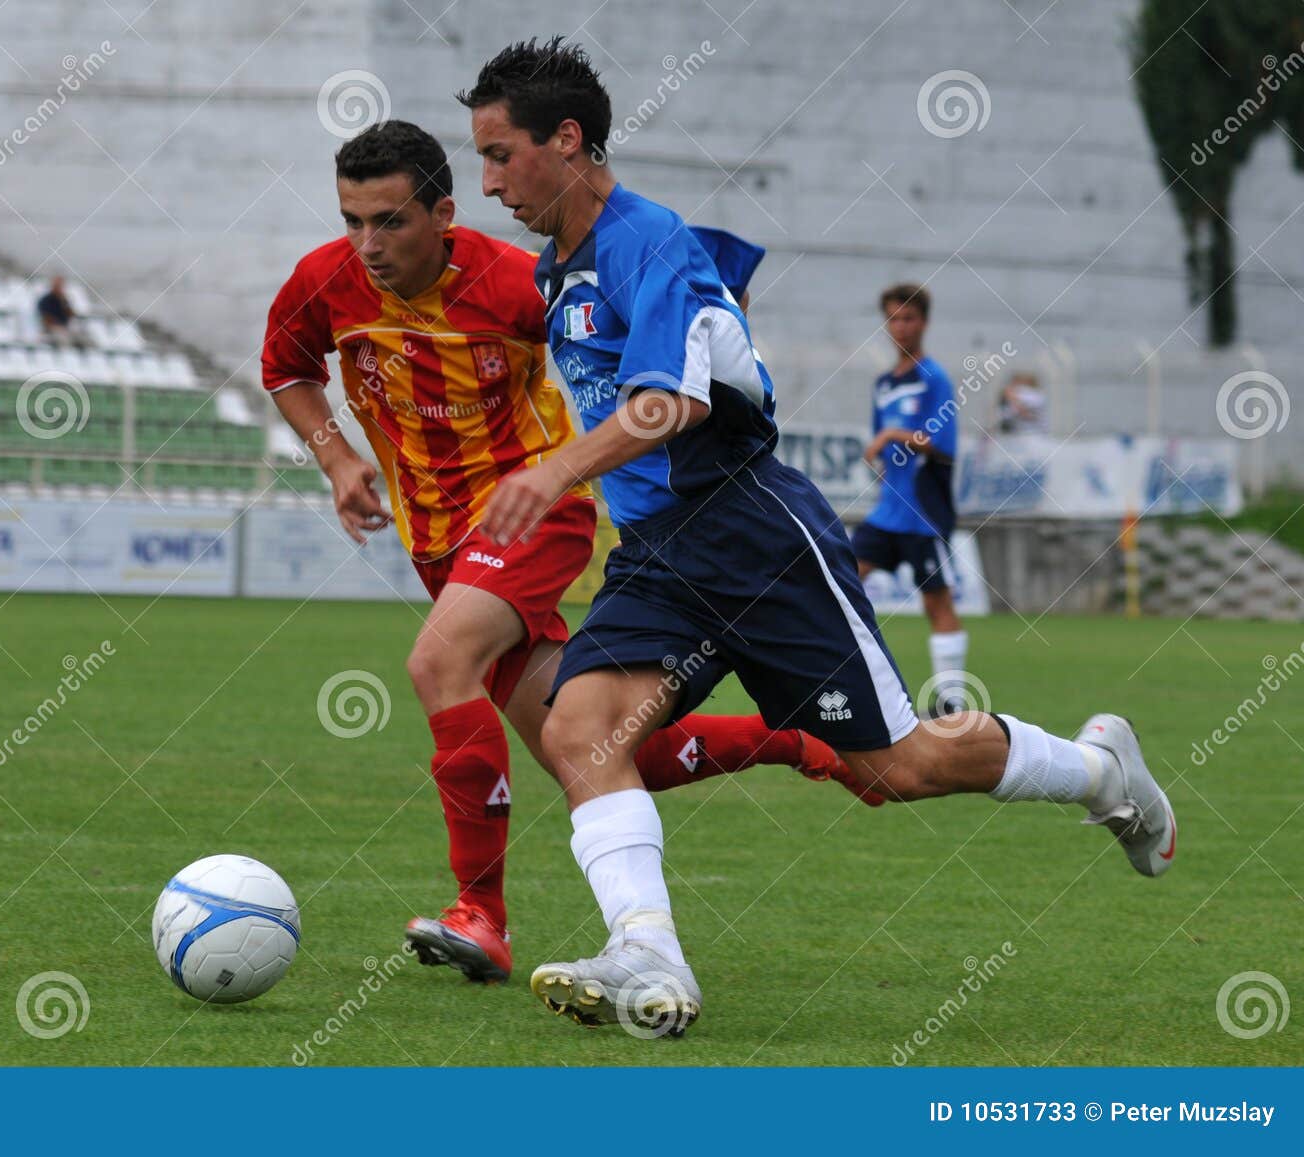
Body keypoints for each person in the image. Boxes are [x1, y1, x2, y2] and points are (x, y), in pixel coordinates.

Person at [460, 37, 1176, 1035]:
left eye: (500, 155)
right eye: (480, 160)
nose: (489, 182)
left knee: (900, 766)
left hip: (756, 537)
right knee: (579, 727)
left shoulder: (648, 241)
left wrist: (549, 471)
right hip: (663, 558)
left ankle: (1102, 772)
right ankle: (648, 953)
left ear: (568, 140)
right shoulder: (561, 269)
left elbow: (670, 404)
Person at [260, 120, 875, 986]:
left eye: (389, 221)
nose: (367, 244)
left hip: (533, 518)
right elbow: (285, 364)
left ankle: (482, 914)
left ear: (443, 214)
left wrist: (693, 336)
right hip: (438, 543)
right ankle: (799, 741)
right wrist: (334, 456)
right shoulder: (326, 281)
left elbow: (625, 320)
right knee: (594, 745)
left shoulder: (515, 283)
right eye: (352, 220)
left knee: (438, 665)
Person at [851, 283, 968, 715]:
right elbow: (882, 441)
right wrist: (880, 451)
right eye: (893, 319)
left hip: (924, 516)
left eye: (909, 318)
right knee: (843, 582)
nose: (900, 327)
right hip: (887, 512)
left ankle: (953, 701)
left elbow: (942, 444)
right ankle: (859, 686)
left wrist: (893, 436)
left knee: (937, 602)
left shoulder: (933, 378)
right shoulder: (884, 383)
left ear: (924, 322)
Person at [36, 276, 84, 345]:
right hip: (52, 328)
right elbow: (46, 317)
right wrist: (58, 325)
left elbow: (70, 313)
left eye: (60, 286)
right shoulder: (45, 300)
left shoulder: (63, 299)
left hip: (65, 327)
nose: (60, 288)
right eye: (57, 286)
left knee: (80, 336)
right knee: (63, 338)